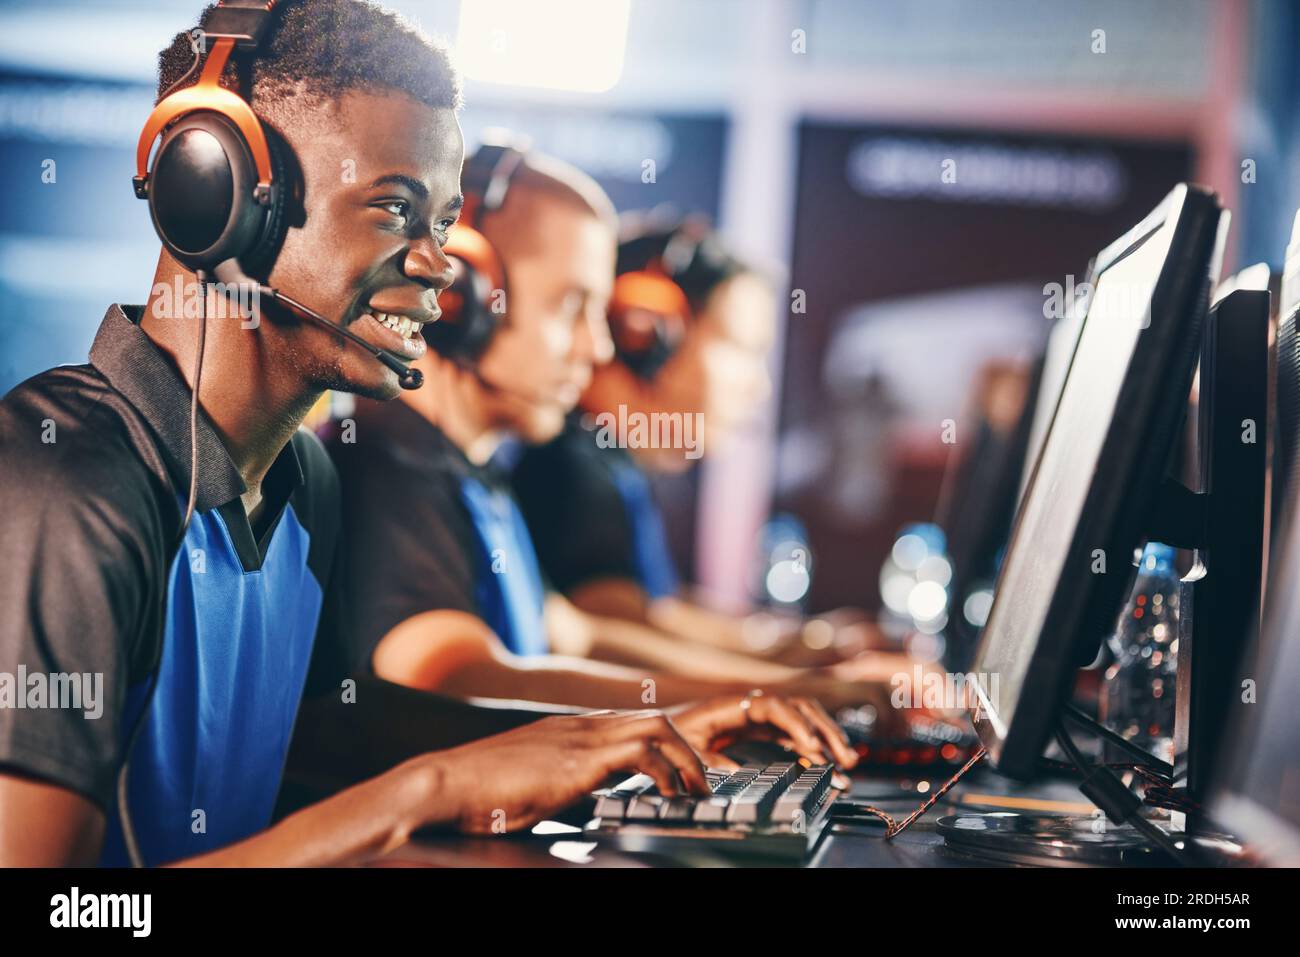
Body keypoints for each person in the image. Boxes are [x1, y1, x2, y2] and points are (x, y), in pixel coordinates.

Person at [0, 0, 848, 868]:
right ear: (215, 197)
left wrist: (616, 735)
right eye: (396, 208)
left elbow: (316, 737)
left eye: (443, 223)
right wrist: (425, 790)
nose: (442, 268)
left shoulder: (301, 483)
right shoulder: (66, 482)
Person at [330, 142, 902, 728]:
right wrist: (751, 700)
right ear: (459, 297)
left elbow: (580, 636)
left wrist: (786, 685)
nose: (598, 348)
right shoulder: (391, 464)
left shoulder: (470, 469)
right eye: (569, 308)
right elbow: (455, 678)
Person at [512, 216, 887, 670]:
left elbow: (658, 606)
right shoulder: (572, 468)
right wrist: (800, 679)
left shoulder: (606, 460)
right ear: (646, 334)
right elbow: (617, 629)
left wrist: (789, 644)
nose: (759, 388)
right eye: (740, 348)